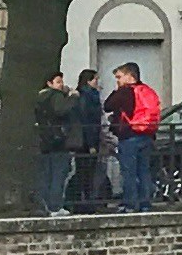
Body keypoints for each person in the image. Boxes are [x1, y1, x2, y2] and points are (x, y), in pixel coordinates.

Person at [106, 62, 162, 215]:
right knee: (144, 171)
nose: (117, 80)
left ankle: (130, 204)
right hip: (147, 136)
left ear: (130, 76)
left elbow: (107, 106)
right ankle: (145, 203)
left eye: (119, 77)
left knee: (128, 172)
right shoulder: (148, 91)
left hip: (129, 136)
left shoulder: (124, 92)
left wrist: (116, 91)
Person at [32, 75, 75, 216]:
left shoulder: (40, 98)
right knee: (58, 174)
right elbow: (61, 110)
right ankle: (55, 206)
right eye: (58, 82)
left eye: (62, 81)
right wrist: (72, 97)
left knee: (46, 175)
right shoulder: (57, 96)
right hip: (58, 140)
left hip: (44, 140)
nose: (61, 84)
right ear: (49, 83)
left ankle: (44, 205)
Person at [69, 69, 108, 209]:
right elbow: (88, 121)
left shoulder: (86, 95)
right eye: (95, 80)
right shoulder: (87, 97)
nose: (97, 83)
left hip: (86, 138)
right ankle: (85, 202)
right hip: (87, 140)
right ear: (88, 81)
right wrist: (91, 143)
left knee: (85, 171)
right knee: (86, 172)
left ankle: (84, 201)